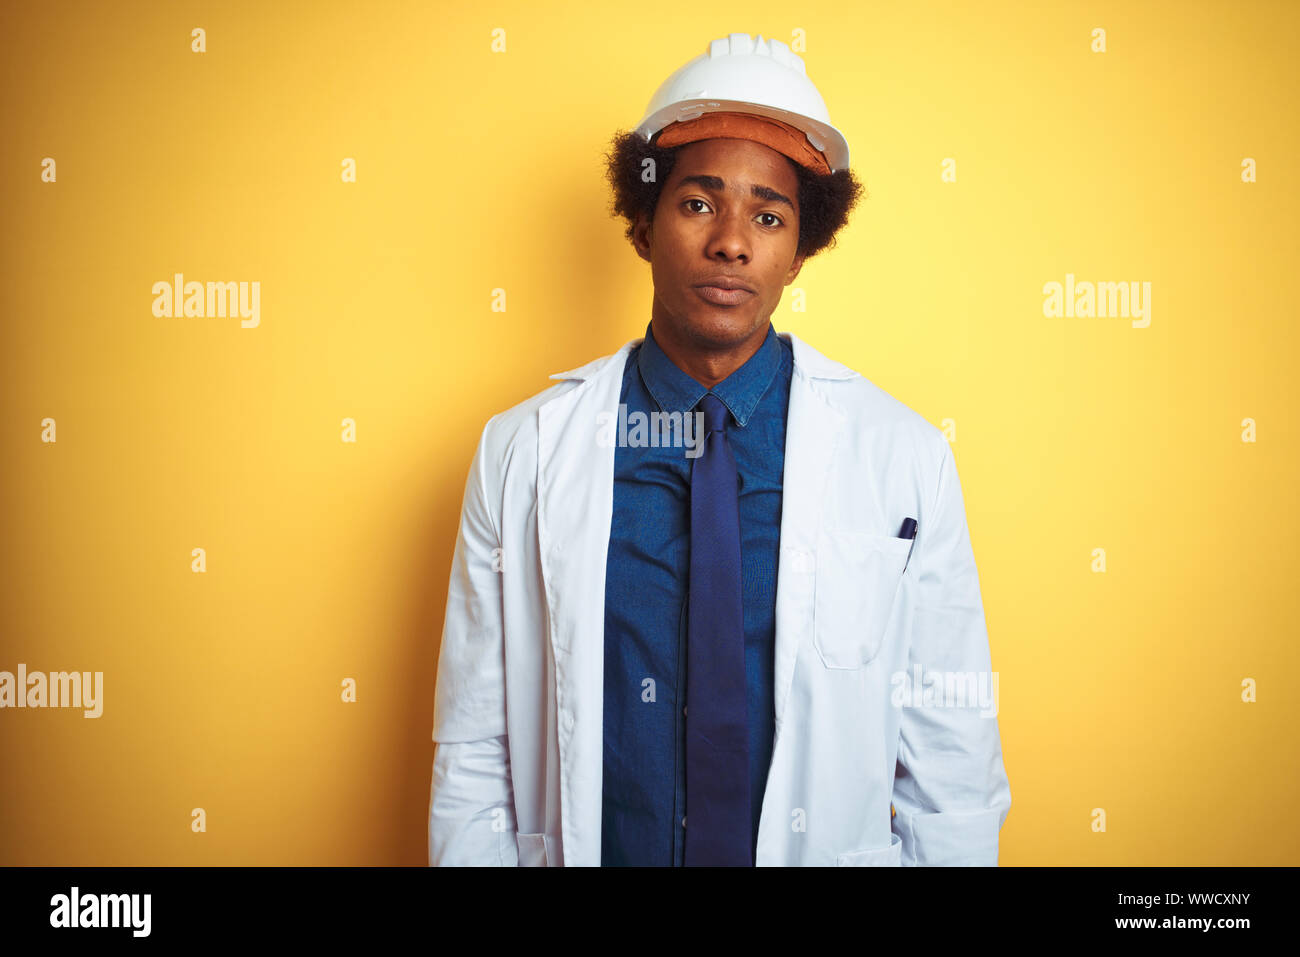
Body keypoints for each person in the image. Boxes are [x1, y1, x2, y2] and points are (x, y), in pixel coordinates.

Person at [428, 32, 1011, 867]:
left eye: (768, 216)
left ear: (800, 250)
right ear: (642, 224)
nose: (732, 241)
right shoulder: (522, 451)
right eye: (699, 203)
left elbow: (953, 767)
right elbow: (475, 750)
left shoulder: (904, 459)